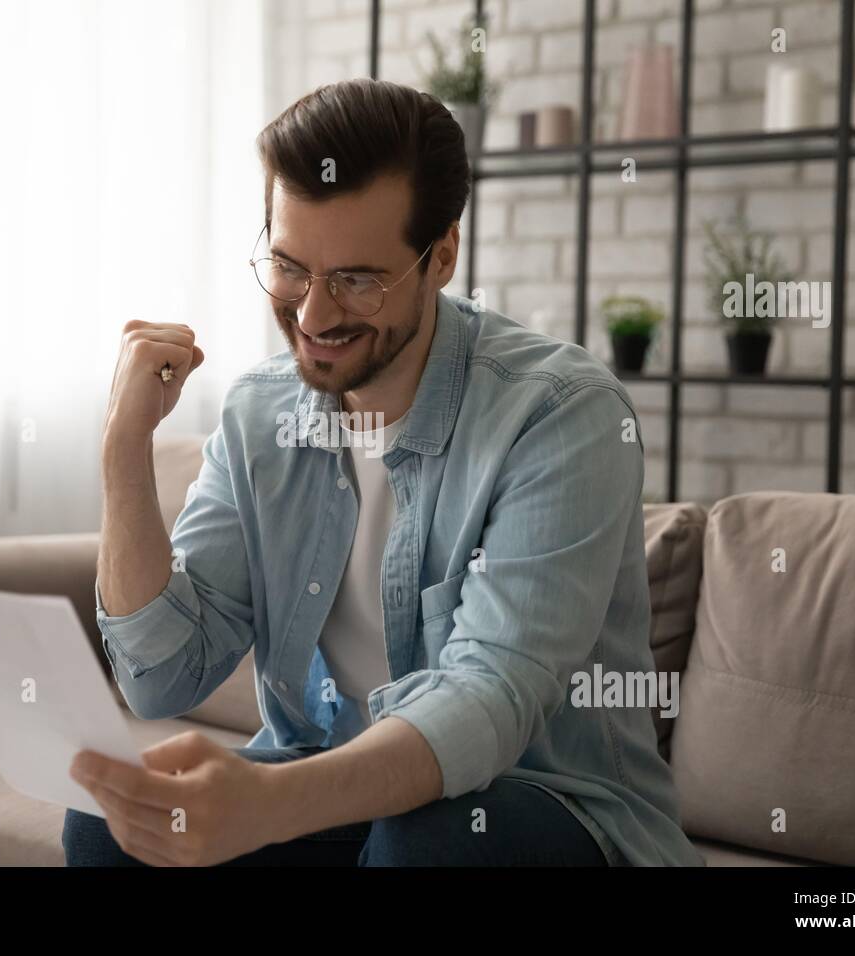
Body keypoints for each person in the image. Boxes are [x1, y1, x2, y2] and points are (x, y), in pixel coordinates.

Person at [63, 77, 704, 867]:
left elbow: (487, 703)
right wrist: (122, 451)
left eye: (358, 280)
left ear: (442, 256)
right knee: (107, 827)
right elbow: (160, 680)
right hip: (333, 799)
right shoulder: (263, 414)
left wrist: (265, 803)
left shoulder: (562, 414)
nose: (312, 316)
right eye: (291, 267)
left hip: (544, 808)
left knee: (426, 842)